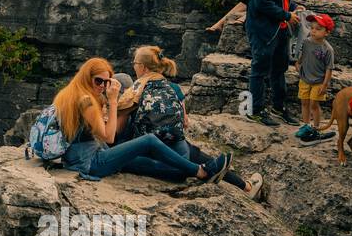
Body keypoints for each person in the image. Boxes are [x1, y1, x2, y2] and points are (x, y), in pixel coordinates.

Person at [57, 57, 230, 183]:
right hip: (91, 163)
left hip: (84, 156)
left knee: (163, 168)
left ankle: (205, 171)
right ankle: (201, 172)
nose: (102, 86)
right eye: (98, 81)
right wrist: (112, 100)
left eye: (106, 81)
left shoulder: (71, 93)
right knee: (148, 141)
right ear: (87, 77)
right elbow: (109, 137)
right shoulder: (86, 101)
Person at [119, 46, 262, 197]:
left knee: (175, 162)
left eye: (134, 63)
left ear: (143, 66)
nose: (133, 66)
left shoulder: (136, 89)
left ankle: (201, 171)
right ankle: (246, 186)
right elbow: (184, 121)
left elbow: (118, 131)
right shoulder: (172, 87)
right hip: (173, 139)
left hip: (150, 147)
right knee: (195, 153)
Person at [245, 0, 308, 127]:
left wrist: (294, 6)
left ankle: (278, 108)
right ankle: (255, 110)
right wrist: (287, 16)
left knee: (279, 68)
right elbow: (261, 3)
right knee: (259, 69)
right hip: (263, 28)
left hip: (280, 27)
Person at [294, 13, 338, 146]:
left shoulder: (328, 49)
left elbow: (329, 69)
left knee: (314, 104)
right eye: (312, 28)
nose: (313, 31)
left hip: (318, 81)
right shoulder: (307, 42)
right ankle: (306, 125)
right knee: (304, 102)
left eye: (318, 29)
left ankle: (316, 128)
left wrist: (325, 84)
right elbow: (303, 55)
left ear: (327, 32)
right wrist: (298, 62)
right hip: (305, 78)